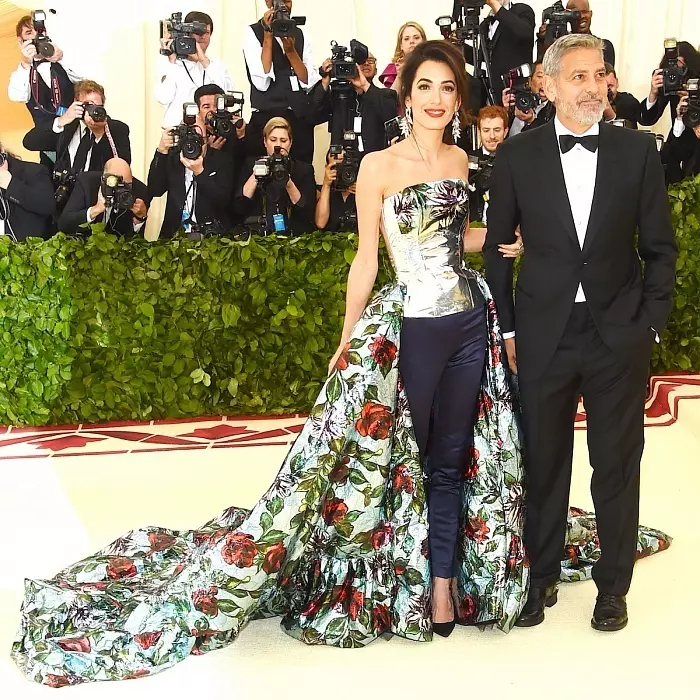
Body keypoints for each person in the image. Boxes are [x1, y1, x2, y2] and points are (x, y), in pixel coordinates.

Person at [9, 39, 673, 689]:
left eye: (448, 89)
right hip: (414, 323)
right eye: (425, 87)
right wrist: (348, 336)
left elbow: (470, 237)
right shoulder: (384, 166)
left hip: (472, 322)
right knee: (425, 457)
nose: (438, 100)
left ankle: (452, 585)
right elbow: (366, 257)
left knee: (464, 457)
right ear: (404, 96)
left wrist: (510, 245)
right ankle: (460, 577)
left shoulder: (468, 163)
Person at [484, 34, 678, 632]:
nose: (593, 86)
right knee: (544, 460)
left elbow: (660, 250)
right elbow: (497, 250)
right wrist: (510, 328)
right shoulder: (516, 157)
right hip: (542, 332)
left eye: (600, 74)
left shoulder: (637, 150)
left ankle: (612, 585)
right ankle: (540, 575)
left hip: (618, 333)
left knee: (616, 463)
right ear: (547, 84)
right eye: (578, 76)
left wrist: (648, 323)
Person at [243, 0, 320, 164]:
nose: (284, 6)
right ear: (268, 2)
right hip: (265, 117)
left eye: (287, 1)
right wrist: (268, 35)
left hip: (298, 119)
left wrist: (291, 51)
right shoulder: (253, 32)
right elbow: (261, 82)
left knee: (301, 172)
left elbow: (307, 81)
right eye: (279, 1)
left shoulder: (301, 34)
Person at [8, 14, 83, 169]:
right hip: (48, 145)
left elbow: (85, 79)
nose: (35, 37)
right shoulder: (22, 72)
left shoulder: (63, 61)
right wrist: (26, 63)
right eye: (29, 33)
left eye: (38, 32)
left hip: (77, 139)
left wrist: (60, 57)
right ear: (20, 41)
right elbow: (16, 95)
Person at [147, 109, 233, 239]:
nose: (193, 142)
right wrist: (161, 150)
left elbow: (223, 201)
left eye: (198, 137)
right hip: (175, 236)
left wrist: (200, 173)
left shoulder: (222, 160)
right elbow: (155, 189)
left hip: (211, 237)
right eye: (188, 136)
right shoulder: (173, 158)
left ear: (206, 138)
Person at [22, 80, 131, 177]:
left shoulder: (116, 129)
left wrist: (99, 134)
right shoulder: (68, 127)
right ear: (76, 103)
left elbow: (122, 166)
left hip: (94, 193)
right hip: (65, 193)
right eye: (88, 105)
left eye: (97, 106)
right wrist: (62, 120)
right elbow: (29, 143)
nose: (92, 110)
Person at [234, 117, 316, 235]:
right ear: (265, 141)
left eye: (283, 140)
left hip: (293, 238)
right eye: (273, 140)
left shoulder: (303, 170)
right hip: (257, 237)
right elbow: (239, 207)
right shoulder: (250, 164)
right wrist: (256, 175)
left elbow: (307, 212)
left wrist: (288, 183)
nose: (278, 146)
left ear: (290, 142)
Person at [311, 51, 399, 155]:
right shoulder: (339, 96)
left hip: (373, 162)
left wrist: (364, 85)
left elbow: (390, 116)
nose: (366, 64)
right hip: (342, 160)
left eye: (370, 61)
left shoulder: (386, 95)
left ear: (376, 70)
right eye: (362, 61)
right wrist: (325, 81)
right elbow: (313, 116)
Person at [156, 11, 234, 129]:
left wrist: (204, 61)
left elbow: (226, 95)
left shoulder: (216, 66)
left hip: (211, 133)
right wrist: (171, 59)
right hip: (177, 132)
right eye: (198, 32)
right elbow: (163, 98)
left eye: (207, 33)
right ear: (186, 33)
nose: (202, 37)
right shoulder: (171, 64)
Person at [464, 0, 536, 107]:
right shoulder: (486, 23)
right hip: (494, 94)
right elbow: (482, 58)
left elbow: (524, 33)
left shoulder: (521, 10)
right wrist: (458, 47)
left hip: (516, 92)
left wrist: (496, 6)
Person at [58, 158, 150, 237]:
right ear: (103, 179)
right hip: (85, 244)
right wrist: (95, 210)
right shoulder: (87, 183)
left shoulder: (139, 190)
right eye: (117, 184)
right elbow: (64, 224)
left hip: (118, 250)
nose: (122, 188)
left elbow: (136, 240)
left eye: (127, 184)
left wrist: (140, 218)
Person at [0, 141, 54, 241]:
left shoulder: (34, 172)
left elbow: (47, 206)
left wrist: (10, 184)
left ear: (2, 150)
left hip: (30, 250)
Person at [639, 41, 700, 127]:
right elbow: (647, 120)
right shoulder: (671, 83)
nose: (676, 74)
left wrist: (693, 100)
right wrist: (653, 94)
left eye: (680, 69)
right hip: (677, 136)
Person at [537, 0, 615, 66]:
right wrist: (544, 40)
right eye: (576, 13)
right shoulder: (559, 45)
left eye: (585, 12)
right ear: (567, 16)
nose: (581, 16)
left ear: (590, 14)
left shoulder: (603, 46)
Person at [468, 105, 509, 224]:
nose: (492, 136)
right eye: (486, 130)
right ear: (479, 132)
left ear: (505, 131)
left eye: (497, 130)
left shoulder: (515, 160)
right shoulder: (466, 159)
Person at [503, 60, 555, 137]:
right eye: (540, 76)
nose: (543, 82)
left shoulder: (555, 110)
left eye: (547, 77)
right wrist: (506, 112)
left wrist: (531, 121)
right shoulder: (517, 99)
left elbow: (547, 139)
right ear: (530, 81)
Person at [315, 151, 357, 232]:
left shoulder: (363, 188)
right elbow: (320, 223)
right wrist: (326, 185)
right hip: (330, 241)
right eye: (336, 167)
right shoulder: (324, 191)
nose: (341, 172)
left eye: (344, 166)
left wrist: (364, 191)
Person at [378, 21, 426, 90]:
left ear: (423, 41)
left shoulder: (433, 64)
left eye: (416, 38)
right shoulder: (392, 70)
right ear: (401, 46)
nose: (412, 41)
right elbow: (391, 99)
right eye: (406, 39)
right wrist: (399, 76)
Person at [603, 63, 640, 128]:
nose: (607, 92)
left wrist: (611, 116)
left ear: (617, 82)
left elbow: (630, 133)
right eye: (603, 87)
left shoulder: (628, 103)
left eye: (610, 86)